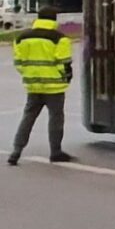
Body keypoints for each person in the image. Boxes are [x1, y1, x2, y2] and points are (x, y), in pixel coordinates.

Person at [9, 9, 75, 166]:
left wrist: (29, 74)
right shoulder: (59, 38)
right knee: (56, 118)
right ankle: (55, 152)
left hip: (33, 85)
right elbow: (64, 63)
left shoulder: (22, 38)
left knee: (28, 117)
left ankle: (16, 152)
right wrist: (65, 77)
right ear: (54, 19)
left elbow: (18, 63)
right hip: (54, 87)